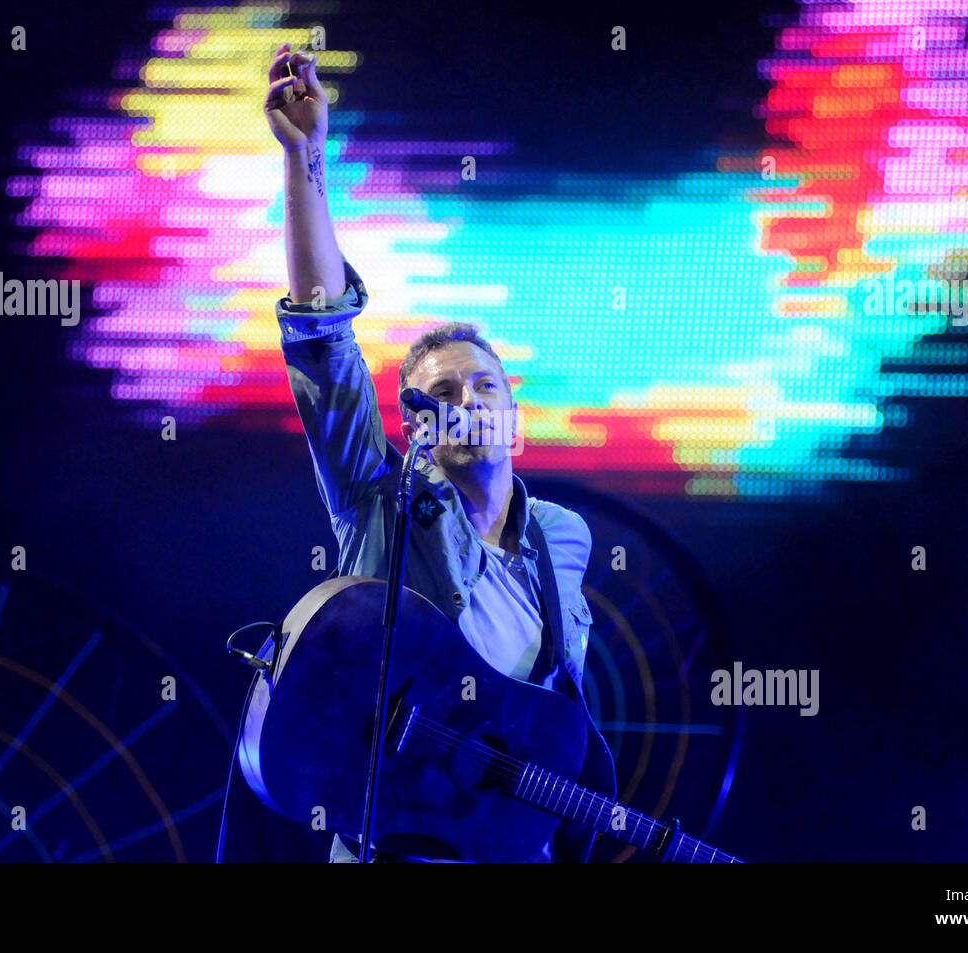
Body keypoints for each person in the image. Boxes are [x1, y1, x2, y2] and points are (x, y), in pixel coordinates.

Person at [264, 43, 615, 862]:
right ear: (414, 422)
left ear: (516, 418)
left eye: (483, 387)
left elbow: (543, 729)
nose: (465, 403)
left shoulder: (563, 543)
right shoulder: (381, 500)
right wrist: (306, 159)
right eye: (441, 393)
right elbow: (321, 341)